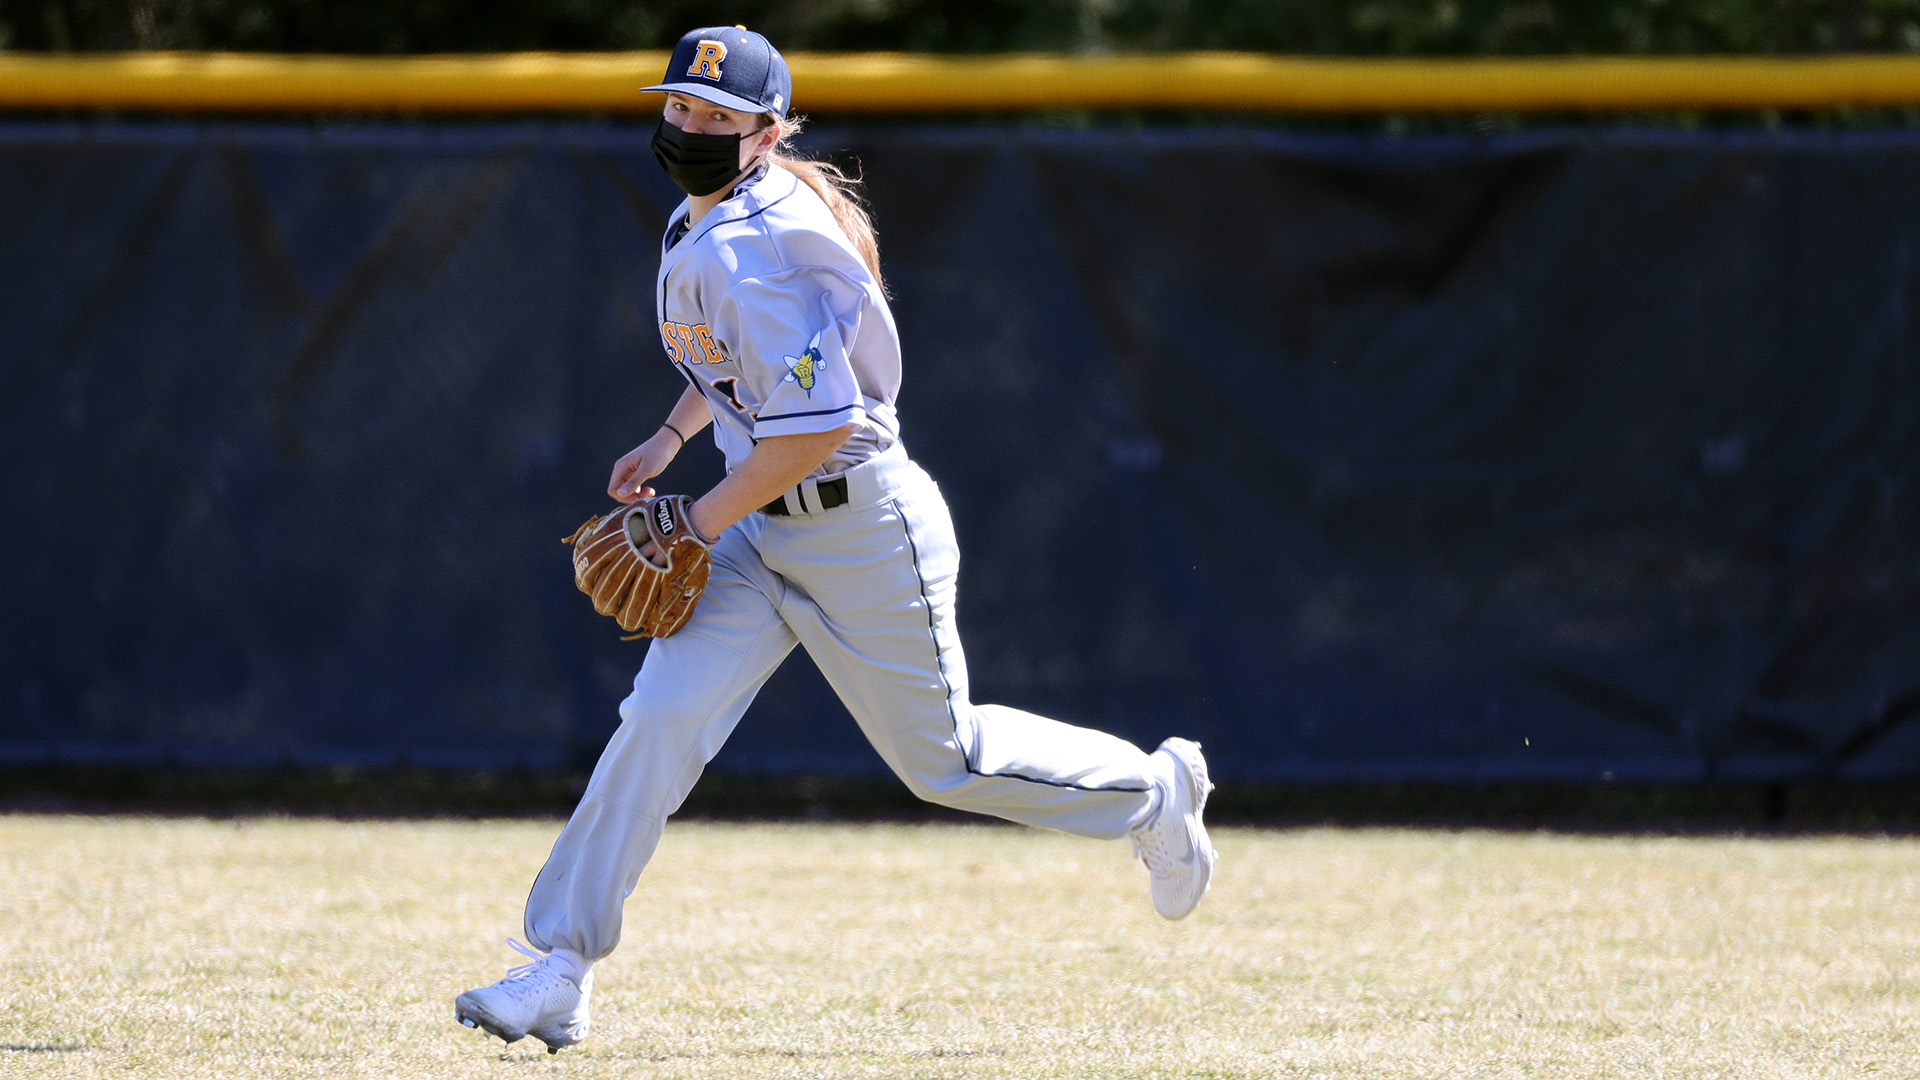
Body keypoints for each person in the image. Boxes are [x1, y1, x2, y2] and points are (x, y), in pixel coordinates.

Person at [453, 25, 1218, 1054]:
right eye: (679, 105)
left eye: (717, 117)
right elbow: (736, 367)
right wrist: (674, 436)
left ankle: (1154, 792)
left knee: (945, 762)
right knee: (660, 720)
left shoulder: (752, 239)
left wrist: (693, 517)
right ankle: (560, 966)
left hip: (859, 531)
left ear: (766, 135)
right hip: (752, 523)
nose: (687, 124)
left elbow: (816, 425)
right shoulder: (708, 213)